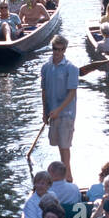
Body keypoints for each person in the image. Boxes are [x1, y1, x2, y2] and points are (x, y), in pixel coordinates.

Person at [41, 38, 78, 180]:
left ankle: (68, 178)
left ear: (65, 50)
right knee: (59, 145)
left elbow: (72, 93)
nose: (57, 52)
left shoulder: (71, 68)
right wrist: (45, 112)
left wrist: (58, 110)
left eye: (61, 49)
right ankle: (65, 177)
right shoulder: (45, 67)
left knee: (65, 146)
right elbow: (44, 91)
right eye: (55, 49)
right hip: (52, 113)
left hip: (66, 113)